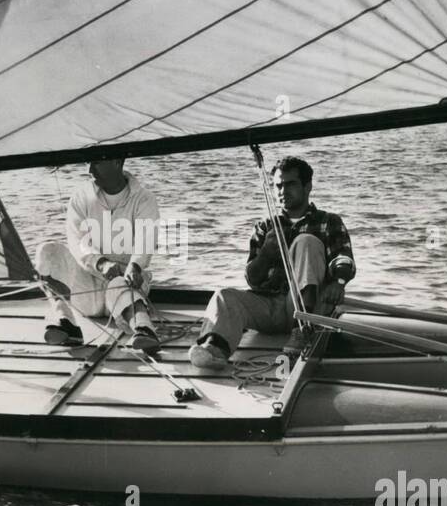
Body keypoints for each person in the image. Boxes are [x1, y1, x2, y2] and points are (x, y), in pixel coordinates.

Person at [189, 156, 355, 369]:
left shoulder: (328, 221)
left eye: (290, 184)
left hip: (311, 308)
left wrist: (338, 282)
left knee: (306, 241)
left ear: (308, 186)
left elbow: (344, 258)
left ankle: (301, 332)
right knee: (224, 296)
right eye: (278, 186)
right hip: (271, 306)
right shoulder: (266, 226)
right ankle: (215, 349)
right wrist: (266, 255)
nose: (282, 191)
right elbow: (253, 280)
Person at [35, 157, 162, 353]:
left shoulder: (144, 199)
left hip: (125, 286)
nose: (90, 169)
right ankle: (66, 322)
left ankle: (144, 329)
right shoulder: (81, 198)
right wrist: (101, 263)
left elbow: (146, 242)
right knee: (47, 251)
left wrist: (134, 266)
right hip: (88, 290)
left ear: (117, 162)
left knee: (120, 284)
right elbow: (77, 242)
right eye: (89, 162)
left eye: (96, 162)